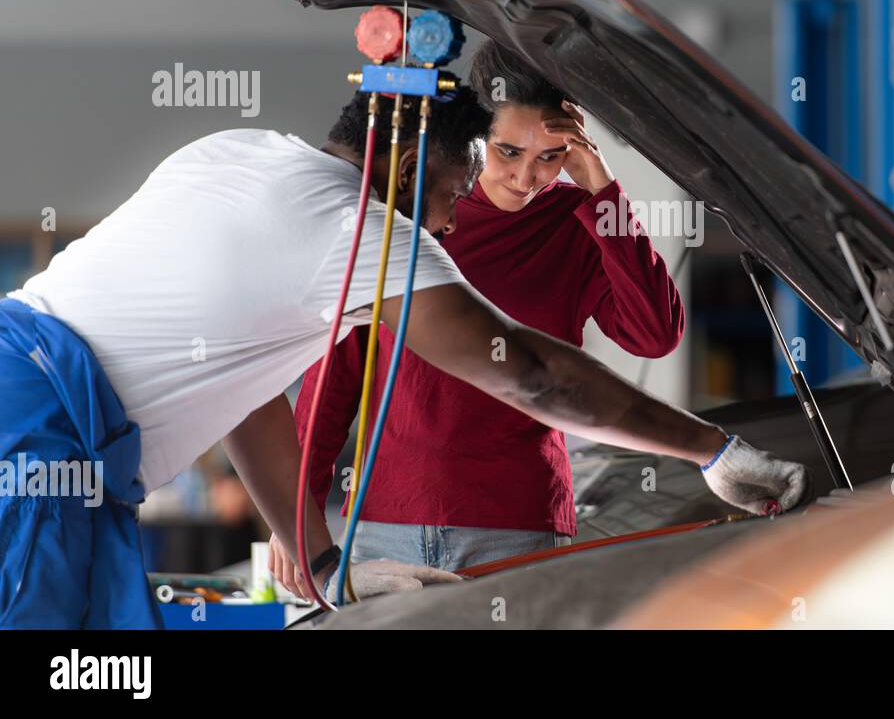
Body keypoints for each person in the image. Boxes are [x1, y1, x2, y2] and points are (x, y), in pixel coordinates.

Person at [0, 83, 808, 629]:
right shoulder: (358, 230)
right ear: (416, 164)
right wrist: (712, 448)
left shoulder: (236, 151)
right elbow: (530, 374)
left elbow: (241, 388)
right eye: (460, 188)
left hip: (35, 398)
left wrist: (320, 557)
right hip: (42, 438)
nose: (454, 219)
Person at [287, 41, 688, 579]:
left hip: (517, 524)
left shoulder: (580, 220)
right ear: (477, 136)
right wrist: (295, 512)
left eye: (550, 157)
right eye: (508, 152)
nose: (526, 178)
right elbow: (334, 372)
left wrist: (602, 188)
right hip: (387, 521)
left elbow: (655, 334)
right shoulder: (416, 210)